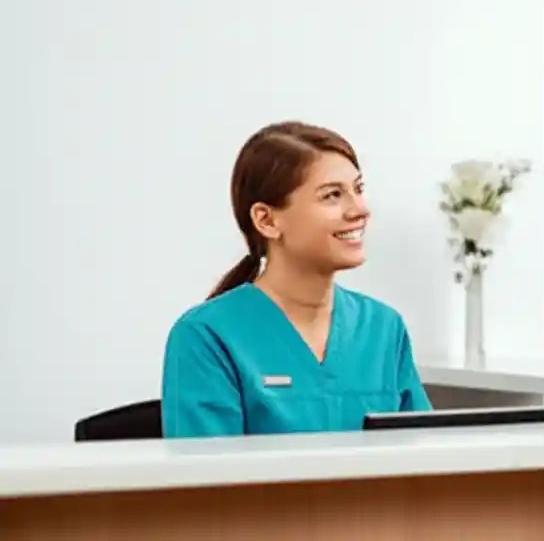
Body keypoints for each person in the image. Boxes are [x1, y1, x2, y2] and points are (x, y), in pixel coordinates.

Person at [161, 121, 432, 438]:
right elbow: (206, 481)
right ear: (267, 220)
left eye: (358, 189)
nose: (360, 209)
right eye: (332, 195)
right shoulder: (206, 338)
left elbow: (423, 461)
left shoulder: (384, 329)